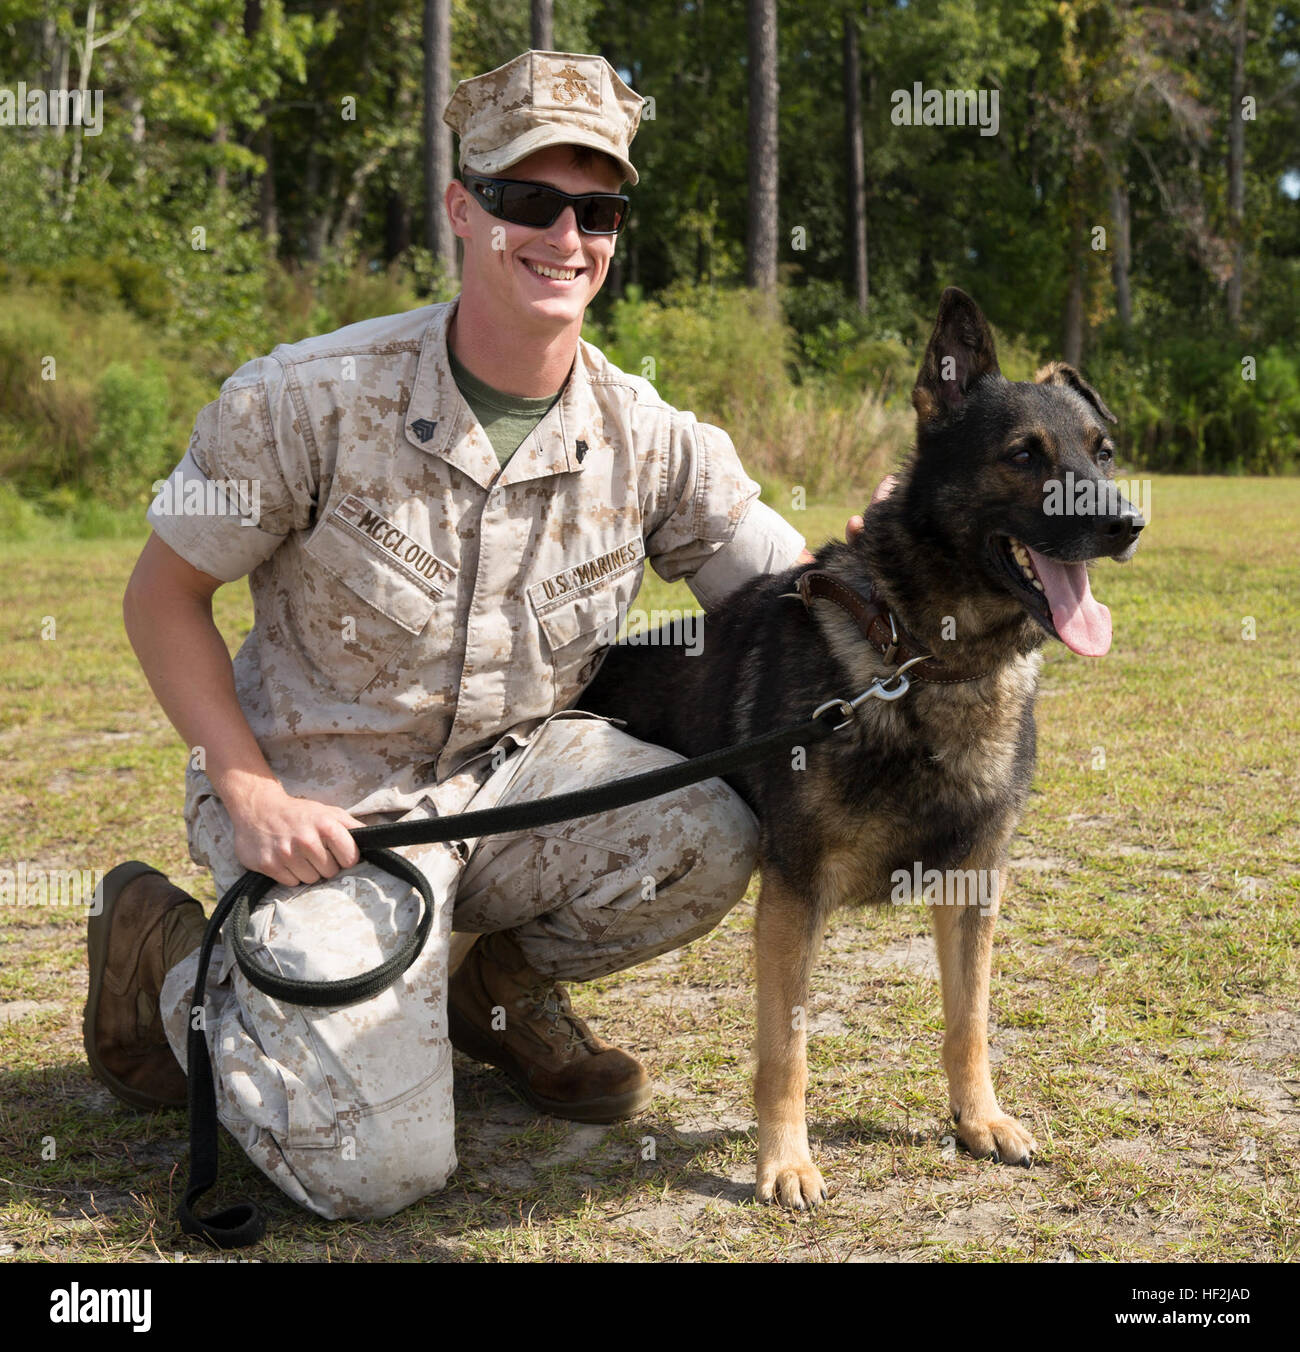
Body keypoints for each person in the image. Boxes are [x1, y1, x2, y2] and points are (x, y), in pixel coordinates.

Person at [83, 49, 862, 1221]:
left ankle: (489, 990)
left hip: (511, 786)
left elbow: (791, 588)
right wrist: (248, 790)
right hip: (325, 812)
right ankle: (167, 965)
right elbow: (160, 596)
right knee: (374, 1174)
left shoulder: (646, 435)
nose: (564, 234)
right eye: (525, 199)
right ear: (462, 206)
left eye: (595, 208)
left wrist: (898, 554)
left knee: (710, 825)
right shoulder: (303, 399)